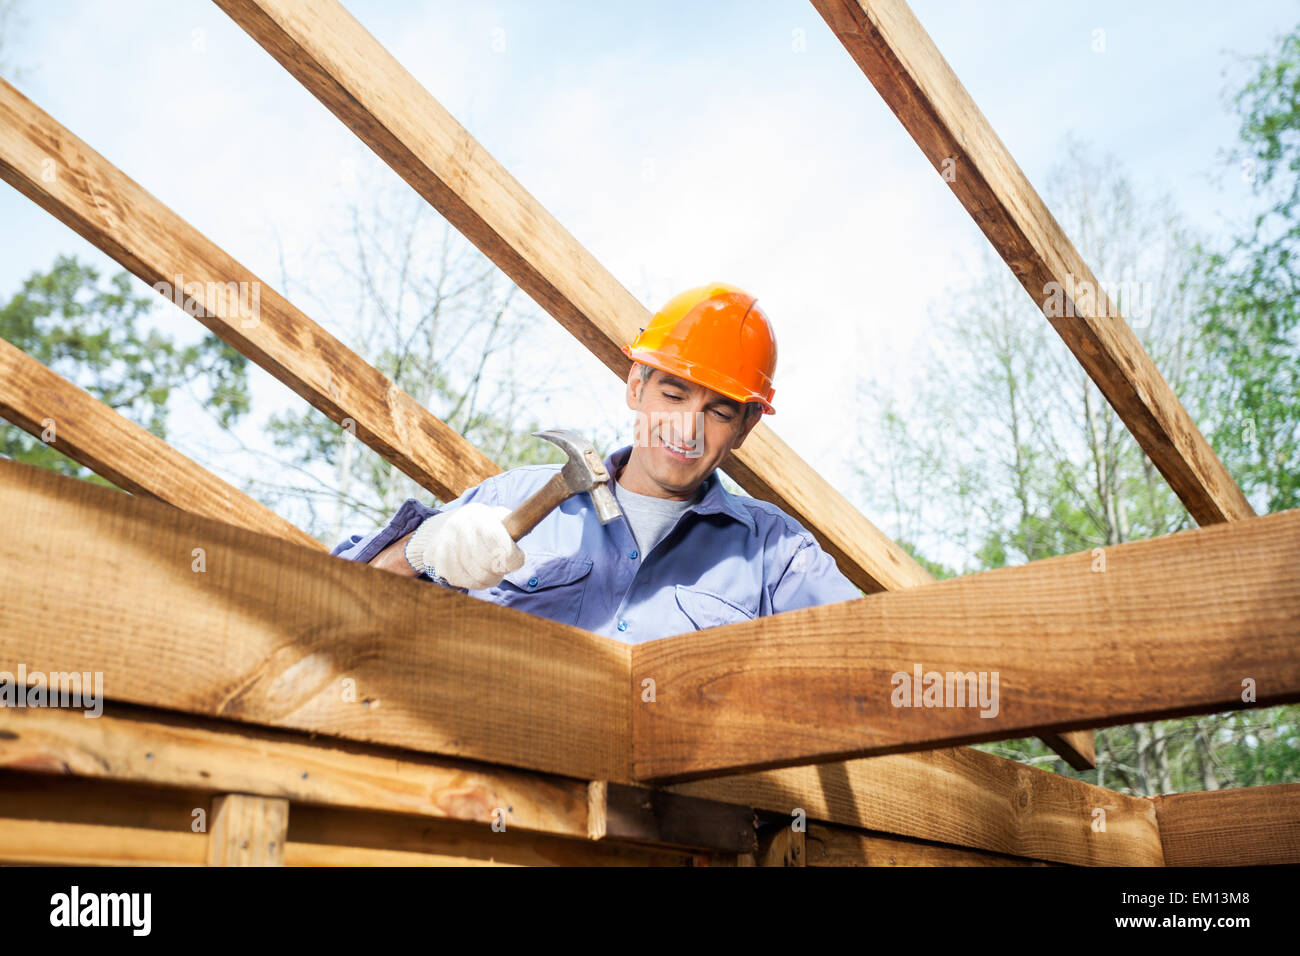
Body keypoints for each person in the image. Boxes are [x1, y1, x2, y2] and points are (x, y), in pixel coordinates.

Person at [332, 282, 860, 643]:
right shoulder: (510, 500)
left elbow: (875, 654)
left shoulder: (778, 554)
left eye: (718, 412)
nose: (687, 428)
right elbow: (333, 603)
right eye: (673, 396)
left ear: (746, 428)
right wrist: (420, 550)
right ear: (636, 385)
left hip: (682, 808)